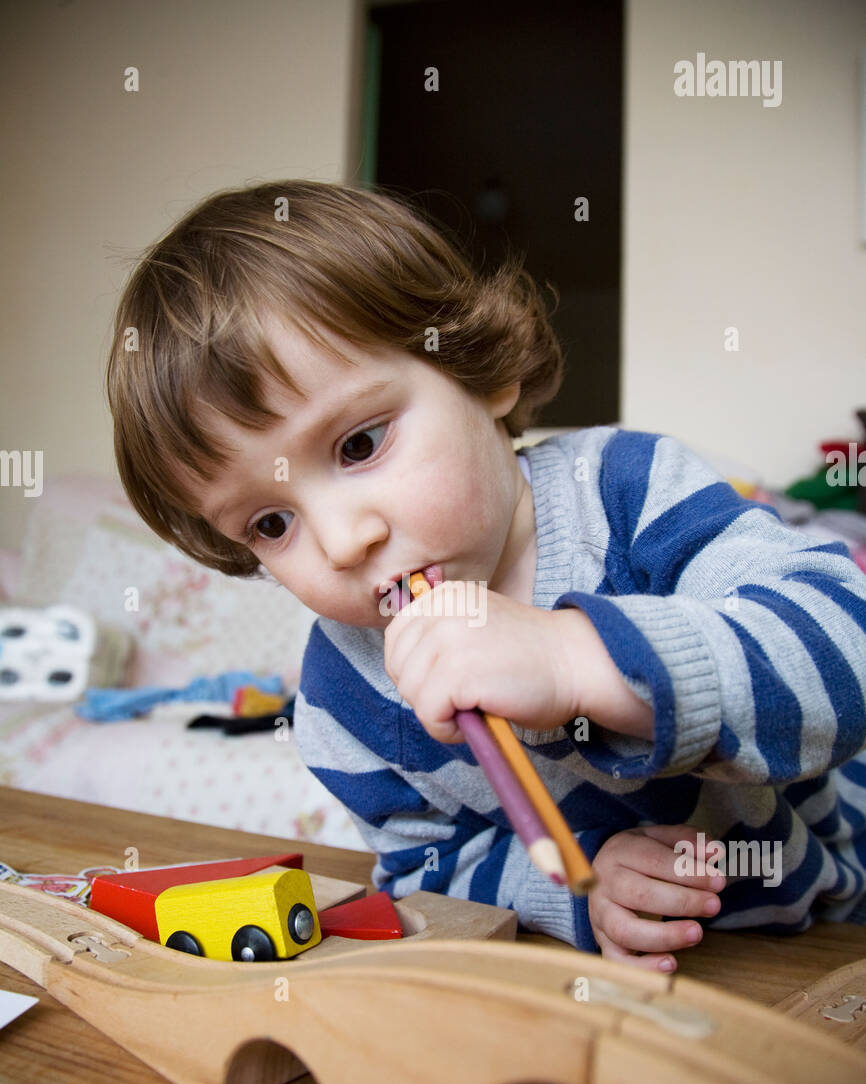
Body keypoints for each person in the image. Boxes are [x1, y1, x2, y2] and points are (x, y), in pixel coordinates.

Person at [106, 179, 866, 968]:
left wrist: (577, 658)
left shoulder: (627, 491)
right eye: (270, 522)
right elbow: (424, 869)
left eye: (359, 445)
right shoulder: (343, 696)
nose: (341, 543)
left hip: (842, 918)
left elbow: (847, 645)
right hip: (687, 986)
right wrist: (584, 891)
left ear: (482, 372)